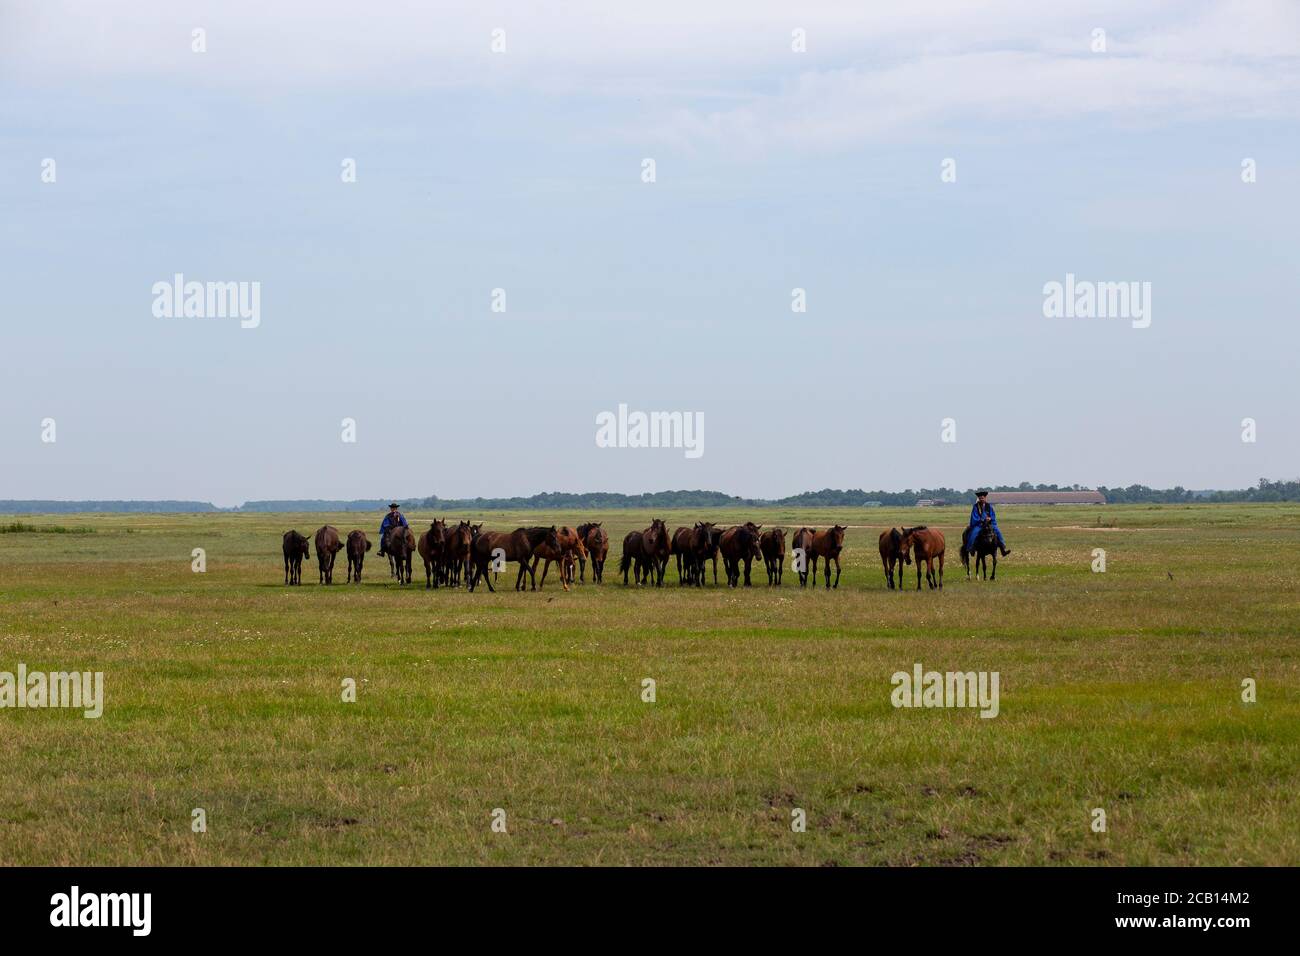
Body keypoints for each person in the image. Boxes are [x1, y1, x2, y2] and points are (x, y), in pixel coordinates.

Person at [965, 490, 1010, 556]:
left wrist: (990, 518)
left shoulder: (989, 506)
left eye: (982, 498)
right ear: (978, 499)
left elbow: (993, 515)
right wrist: (982, 520)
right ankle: (971, 548)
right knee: (974, 533)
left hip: (989, 524)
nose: (981, 499)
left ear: (985, 498)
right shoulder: (976, 507)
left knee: (997, 531)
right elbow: (974, 517)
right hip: (979, 524)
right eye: (980, 498)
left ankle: (1002, 549)